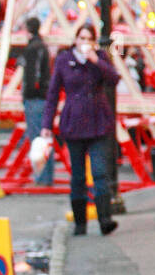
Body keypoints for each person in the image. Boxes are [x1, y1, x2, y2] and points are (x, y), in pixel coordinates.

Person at [40, 24, 121, 237]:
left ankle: (105, 219)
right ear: (75, 39)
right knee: (77, 176)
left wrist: (96, 60)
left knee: (100, 172)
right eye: (81, 38)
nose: (84, 42)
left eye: (88, 38)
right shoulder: (64, 60)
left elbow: (114, 79)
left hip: (98, 121)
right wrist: (46, 125)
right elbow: (53, 94)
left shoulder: (100, 57)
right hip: (74, 123)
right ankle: (80, 223)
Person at [20, 16, 54, 187]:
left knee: (37, 138)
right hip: (42, 96)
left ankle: (42, 178)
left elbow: (33, 75)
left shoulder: (32, 48)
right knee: (44, 137)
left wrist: (29, 92)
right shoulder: (42, 47)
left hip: (35, 98)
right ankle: (45, 176)